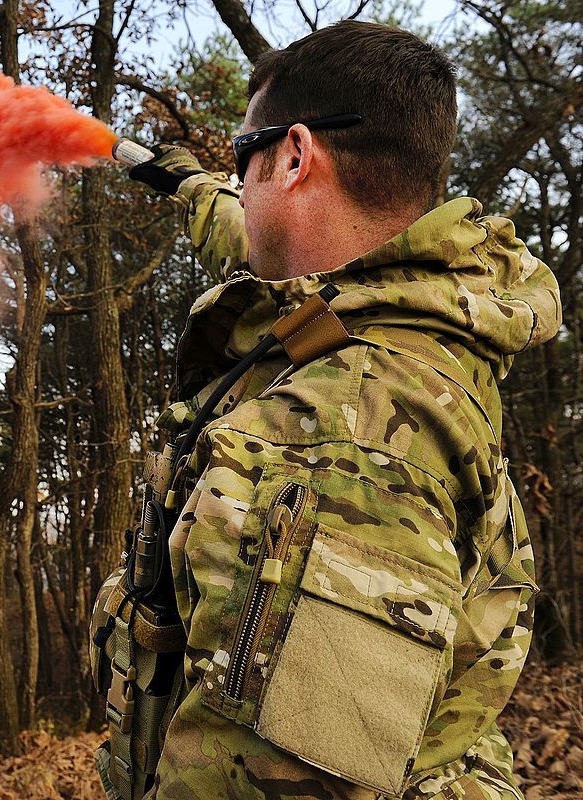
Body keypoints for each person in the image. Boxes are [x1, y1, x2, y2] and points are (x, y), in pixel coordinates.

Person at [98, 20, 562, 800]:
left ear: (295, 156)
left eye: (243, 159)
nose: (238, 188)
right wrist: (177, 179)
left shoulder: (336, 433)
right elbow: (239, 224)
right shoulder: (418, 297)